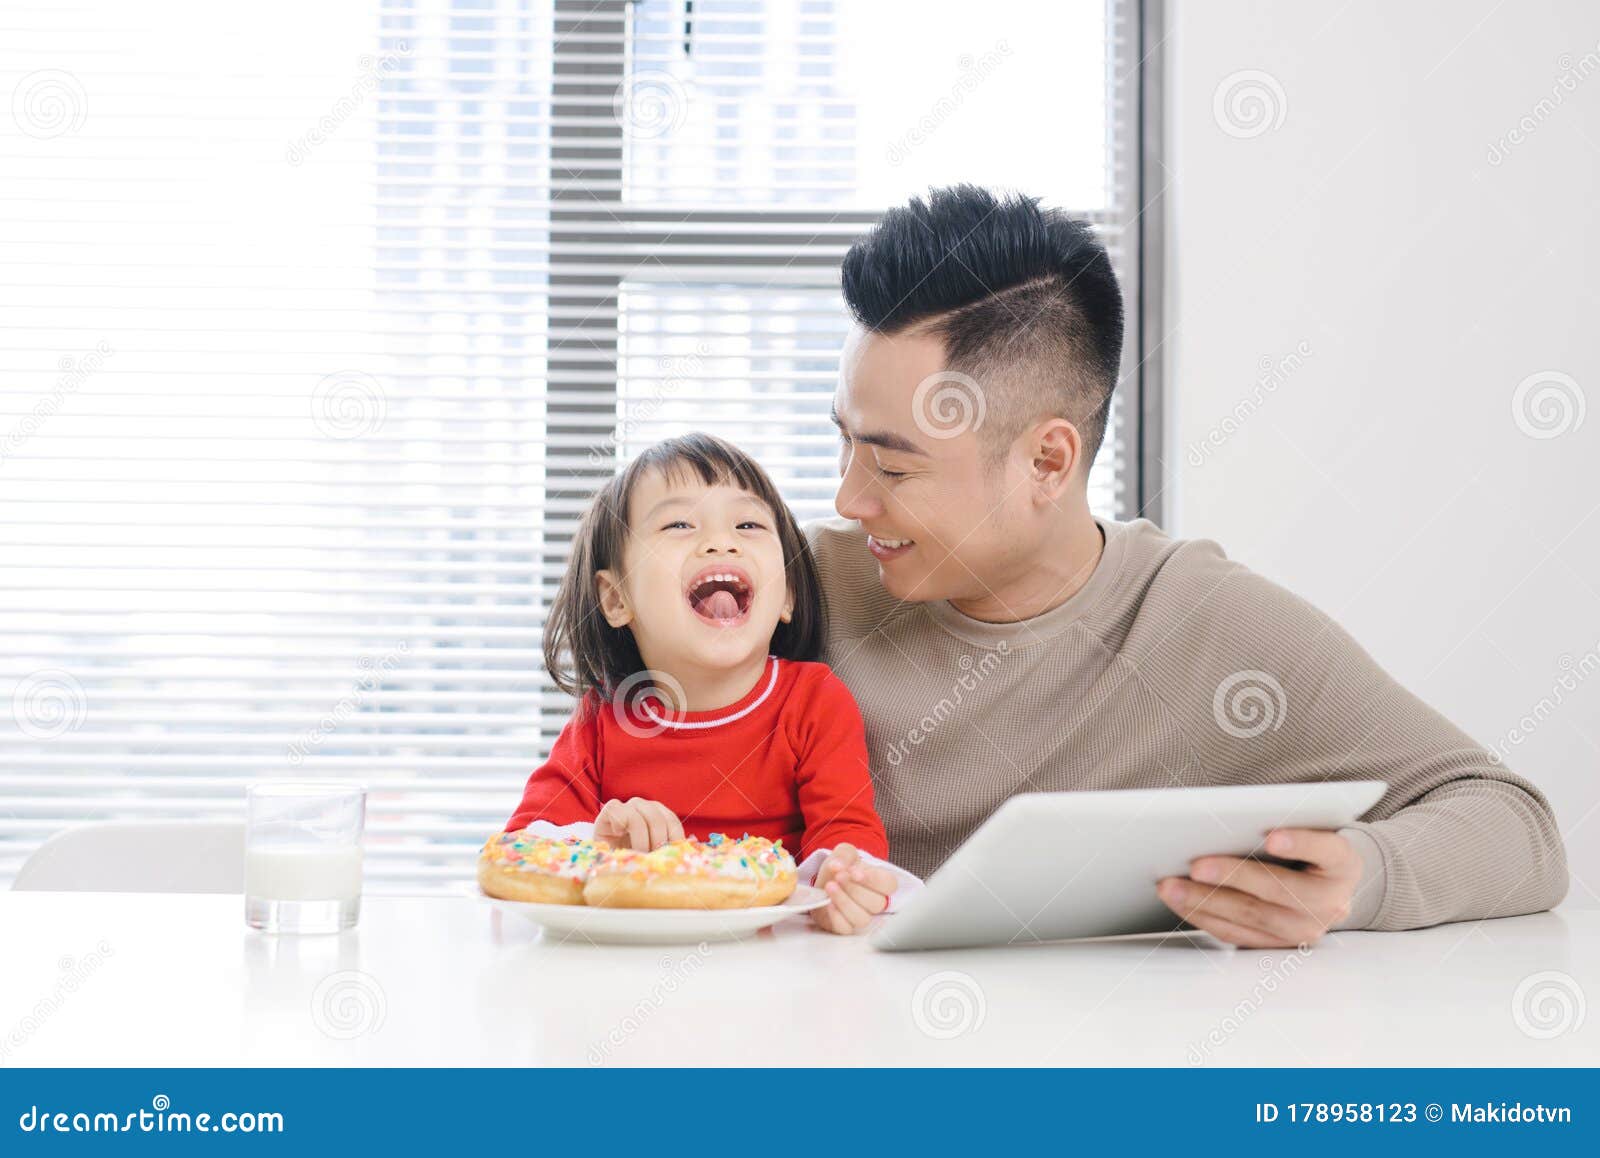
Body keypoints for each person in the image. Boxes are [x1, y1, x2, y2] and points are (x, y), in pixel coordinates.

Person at [804, 184, 1569, 948]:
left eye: (893, 470)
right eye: (844, 441)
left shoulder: (1203, 622)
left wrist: (1356, 878)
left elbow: (1514, 825)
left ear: (1046, 461)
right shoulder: (785, 590)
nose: (848, 497)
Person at [502, 433, 916, 934]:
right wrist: (599, 842)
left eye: (747, 523)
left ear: (785, 596)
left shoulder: (812, 701)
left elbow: (846, 836)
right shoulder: (604, 719)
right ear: (615, 599)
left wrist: (842, 884)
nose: (722, 542)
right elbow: (525, 843)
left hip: (774, 964)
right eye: (679, 524)